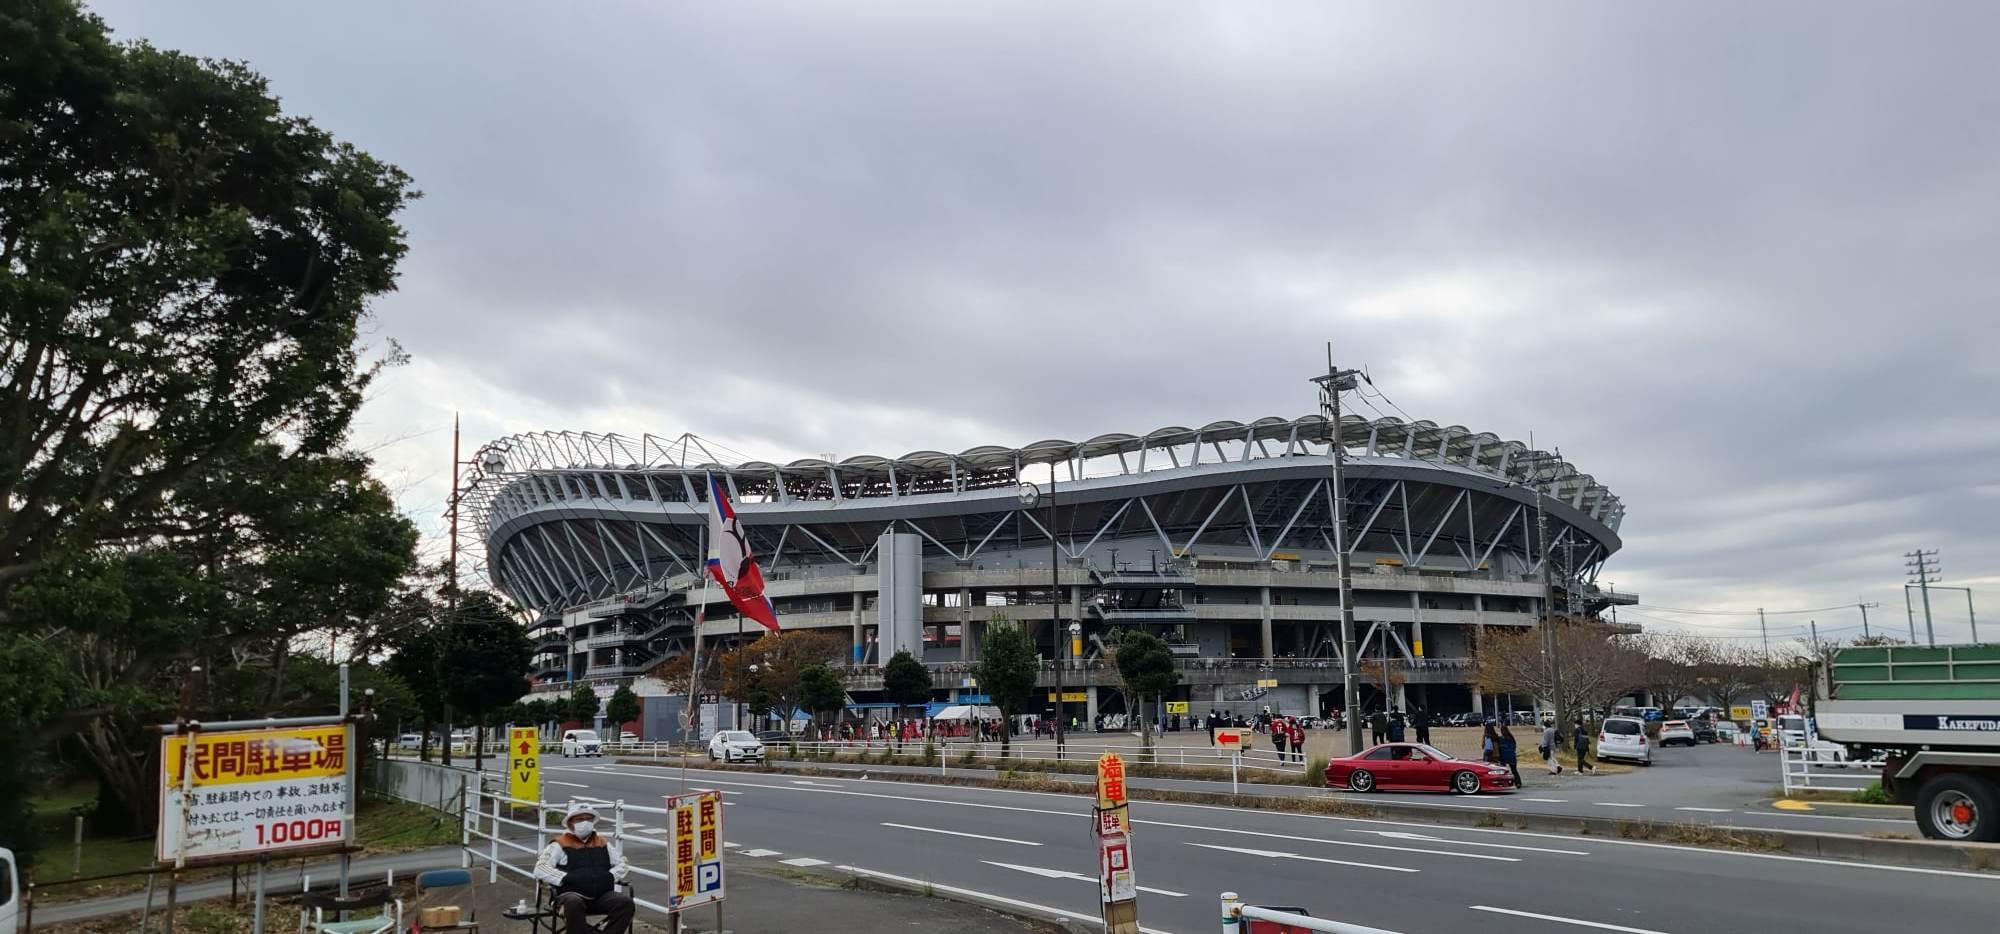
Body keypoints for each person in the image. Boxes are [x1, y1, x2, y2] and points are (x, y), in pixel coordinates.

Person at [534, 803, 634, 934]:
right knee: (573, 903)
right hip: (570, 895)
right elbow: (540, 868)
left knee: (625, 903)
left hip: (601, 895)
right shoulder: (559, 844)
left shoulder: (603, 843)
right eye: (580, 819)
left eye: (588, 819)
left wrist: (610, 876)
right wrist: (566, 878)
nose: (585, 822)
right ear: (570, 823)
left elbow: (623, 864)